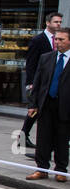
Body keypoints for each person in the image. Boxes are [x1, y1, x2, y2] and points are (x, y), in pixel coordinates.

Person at [25, 27, 70, 181]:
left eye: (61, 39)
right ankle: (42, 169)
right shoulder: (46, 57)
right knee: (43, 138)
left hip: (65, 106)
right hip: (46, 104)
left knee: (62, 139)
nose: (57, 42)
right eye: (56, 39)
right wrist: (32, 104)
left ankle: (61, 171)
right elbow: (37, 83)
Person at [20, 13, 60, 154]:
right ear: (47, 23)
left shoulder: (60, 41)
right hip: (38, 82)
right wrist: (30, 82)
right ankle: (23, 137)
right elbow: (31, 62)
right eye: (56, 22)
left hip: (52, 83)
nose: (58, 24)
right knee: (34, 110)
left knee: (38, 112)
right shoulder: (38, 40)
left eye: (60, 22)